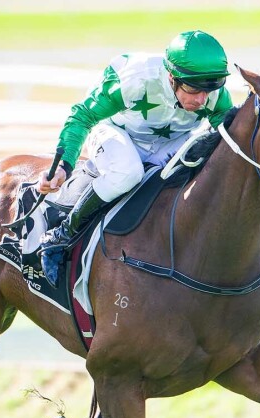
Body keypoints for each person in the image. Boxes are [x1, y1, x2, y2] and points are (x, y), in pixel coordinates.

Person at [36, 30, 235, 286]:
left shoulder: (211, 92)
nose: (201, 99)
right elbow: (83, 116)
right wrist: (64, 165)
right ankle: (61, 235)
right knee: (128, 173)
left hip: (170, 142)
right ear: (172, 77)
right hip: (117, 133)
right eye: (193, 89)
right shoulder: (135, 78)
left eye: (209, 90)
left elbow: (227, 136)